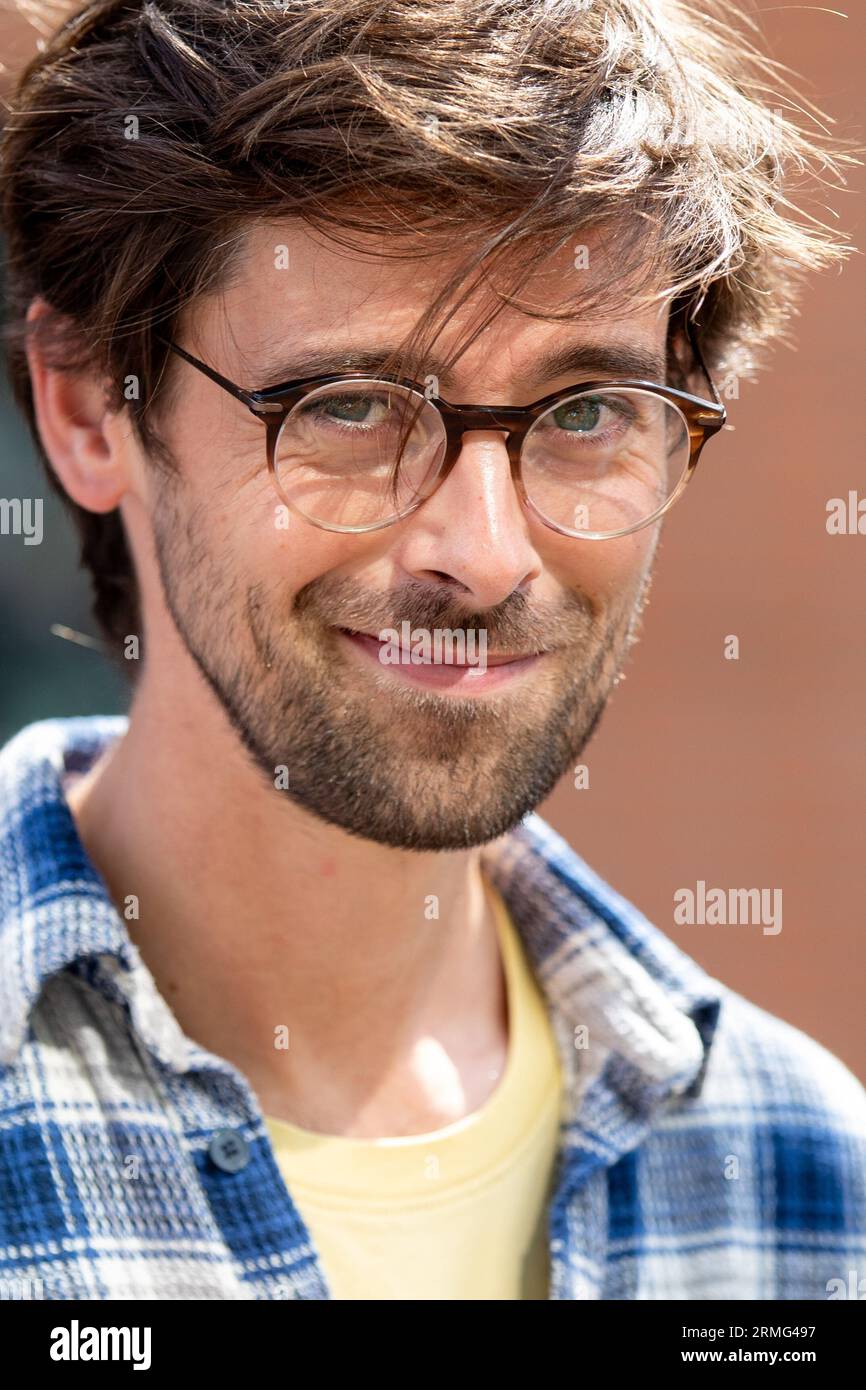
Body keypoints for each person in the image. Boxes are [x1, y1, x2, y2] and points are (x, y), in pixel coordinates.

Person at [0, 0, 863, 1302]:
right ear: (87, 409)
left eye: (585, 410)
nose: (486, 552)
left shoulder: (796, 1175)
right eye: (348, 406)